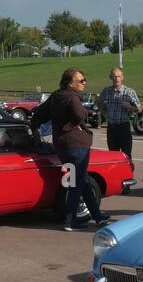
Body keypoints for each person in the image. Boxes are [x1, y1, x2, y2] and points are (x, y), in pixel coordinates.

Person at [31, 68, 109, 231]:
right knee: (76, 182)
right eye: (80, 80)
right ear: (70, 83)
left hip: (62, 146)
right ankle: (70, 220)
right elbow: (80, 115)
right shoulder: (73, 97)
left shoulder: (56, 95)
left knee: (82, 179)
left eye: (84, 79)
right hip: (77, 146)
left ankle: (96, 215)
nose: (84, 83)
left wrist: (33, 126)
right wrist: (72, 125)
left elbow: (40, 114)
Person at [98, 67, 140, 190]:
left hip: (124, 127)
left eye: (119, 76)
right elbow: (99, 103)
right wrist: (105, 114)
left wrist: (130, 107)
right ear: (111, 77)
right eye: (114, 76)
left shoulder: (129, 92)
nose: (116, 78)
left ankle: (127, 183)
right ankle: (115, 183)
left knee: (126, 156)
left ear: (123, 77)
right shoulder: (106, 91)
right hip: (112, 127)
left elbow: (139, 108)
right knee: (113, 156)